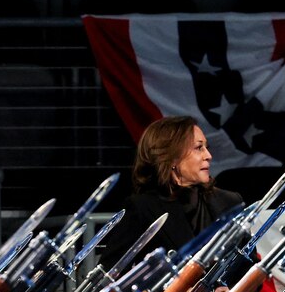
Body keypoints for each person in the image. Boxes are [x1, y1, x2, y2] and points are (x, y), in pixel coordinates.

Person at [98, 115, 243, 270]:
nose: (208, 156)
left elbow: (246, 265)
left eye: (206, 147)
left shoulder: (229, 202)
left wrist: (230, 290)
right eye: (199, 148)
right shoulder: (142, 208)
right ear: (172, 157)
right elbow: (109, 275)